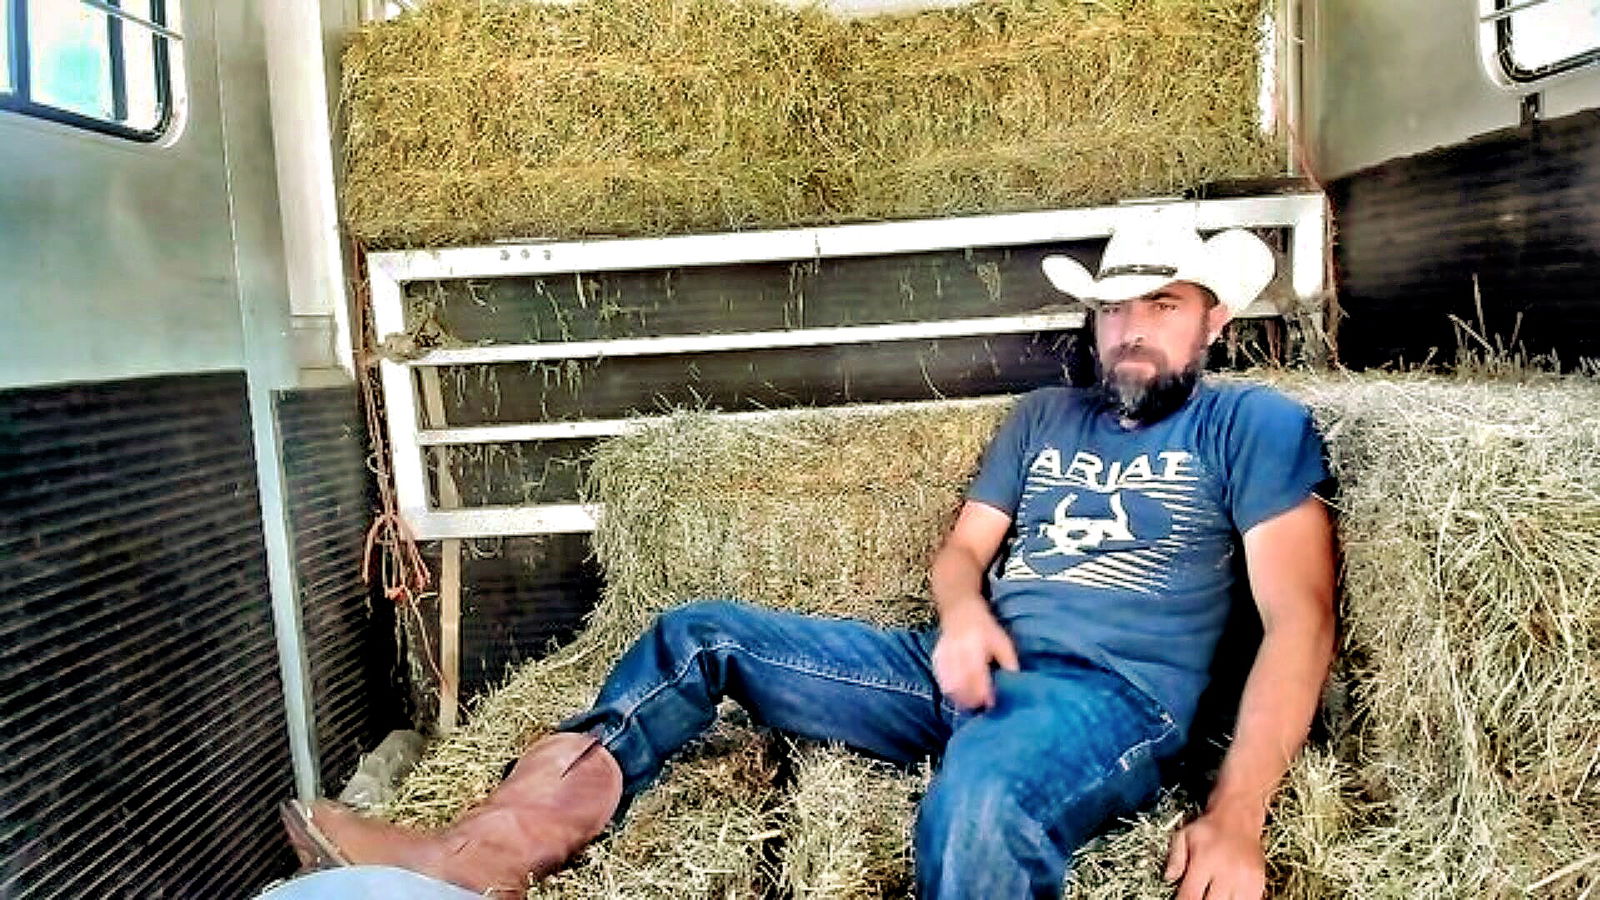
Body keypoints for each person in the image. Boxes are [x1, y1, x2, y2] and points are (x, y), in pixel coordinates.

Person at [281, 209, 1336, 900]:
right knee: (698, 636)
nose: (1132, 331)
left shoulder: (1250, 427)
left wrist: (1234, 816)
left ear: (1214, 320)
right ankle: (484, 855)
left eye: (1162, 307)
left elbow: (1299, 620)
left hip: (1101, 700)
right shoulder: (1045, 415)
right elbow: (962, 552)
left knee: (975, 806)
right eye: (1114, 309)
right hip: (956, 670)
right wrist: (963, 617)